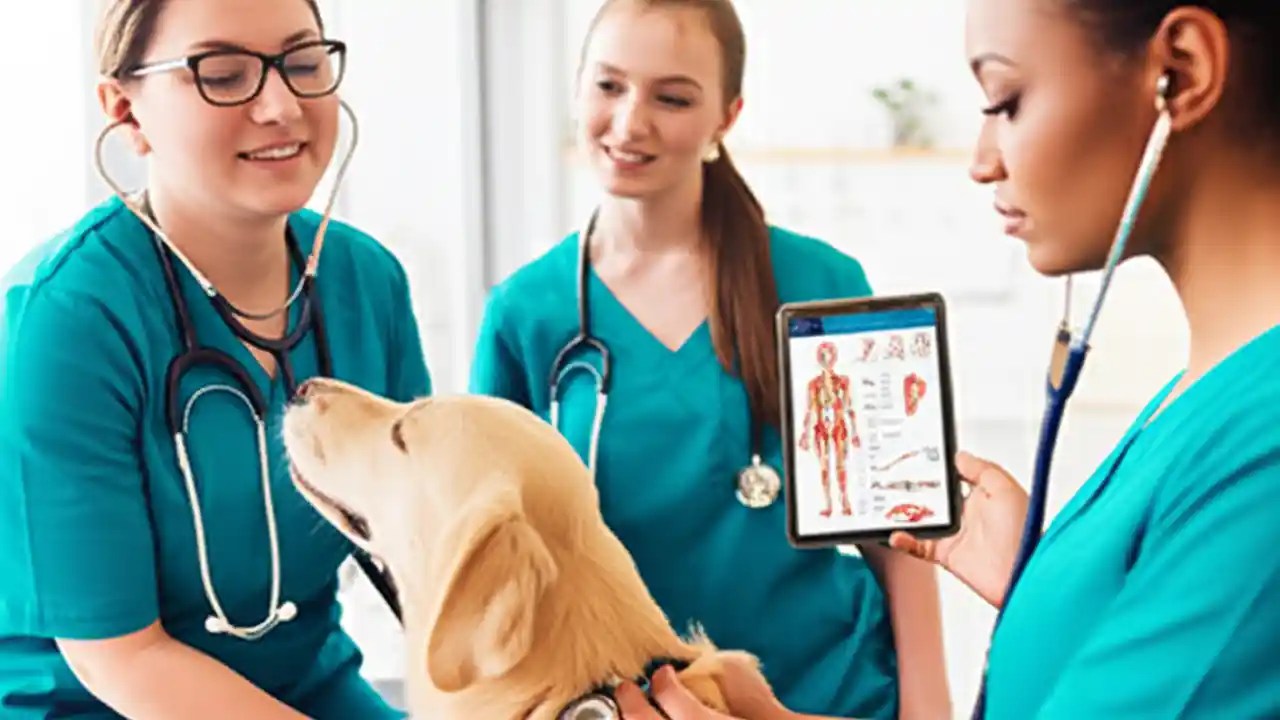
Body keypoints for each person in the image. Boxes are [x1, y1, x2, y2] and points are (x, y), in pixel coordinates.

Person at [615, 0, 1280, 718]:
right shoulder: (1204, 395)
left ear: (1180, 72)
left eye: (1005, 101)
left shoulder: (1262, 453)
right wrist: (1045, 585)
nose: (980, 160)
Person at [467, 1, 951, 718]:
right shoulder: (526, 315)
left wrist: (929, 710)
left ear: (727, 115)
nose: (631, 122)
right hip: (638, 706)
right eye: (609, 86)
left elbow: (900, 538)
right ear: (578, 90)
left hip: (834, 696)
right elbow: (497, 566)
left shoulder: (825, 286)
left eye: (672, 97)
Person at [0, 0, 430, 717]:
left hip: (308, 689)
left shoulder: (368, 282)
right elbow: (122, 657)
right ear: (125, 111)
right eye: (222, 75)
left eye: (302, 63)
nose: (281, 105)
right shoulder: (67, 318)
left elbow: (425, 550)